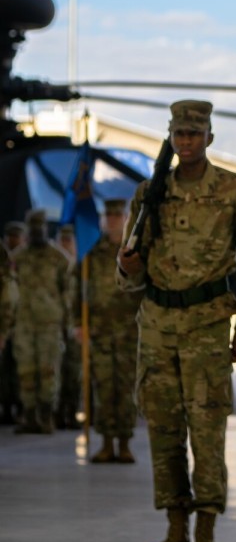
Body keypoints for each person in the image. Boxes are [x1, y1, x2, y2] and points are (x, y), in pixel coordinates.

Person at [117, 101, 236, 542]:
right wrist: (127, 268)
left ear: (210, 138)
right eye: (180, 133)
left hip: (207, 324)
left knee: (208, 431)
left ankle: (206, 538)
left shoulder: (233, 191)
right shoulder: (150, 192)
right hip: (156, 326)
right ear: (171, 137)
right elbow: (130, 271)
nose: (187, 141)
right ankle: (175, 536)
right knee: (164, 430)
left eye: (195, 133)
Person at [82, 198, 143, 464]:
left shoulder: (133, 250)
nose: (113, 220)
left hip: (130, 329)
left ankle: (125, 443)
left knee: (127, 388)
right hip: (101, 329)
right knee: (104, 387)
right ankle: (106, 443)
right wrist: (79, 323)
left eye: (118, 216)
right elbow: (80, 291)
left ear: (125, 218)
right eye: (109, 216)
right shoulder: (92, 252)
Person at [12, 208, 74, 434]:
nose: (37, 231)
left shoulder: (58, 258)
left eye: (40, 226)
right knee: (26, 370)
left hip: (50, 324)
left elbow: (68, 293)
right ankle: (29, 416)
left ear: (46, 228)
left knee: (48, 372)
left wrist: (68, 325)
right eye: (33, 227)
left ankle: (46, 416)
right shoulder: (18, 257)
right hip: (24, 323)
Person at [55, 222, 82, 430]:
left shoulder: (81, 267)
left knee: (73, 372)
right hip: (55, 325)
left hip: (73, 327)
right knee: (57, 372)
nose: (65, 243)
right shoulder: (53, 264)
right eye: (62, 239)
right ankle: (56, 413)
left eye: (68, 240)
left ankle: (72, 412)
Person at [0, 222, 24, 425]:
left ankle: (17, 407)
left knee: (15, 369)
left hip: (19, 325)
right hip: (8, 324)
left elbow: (10, 296)